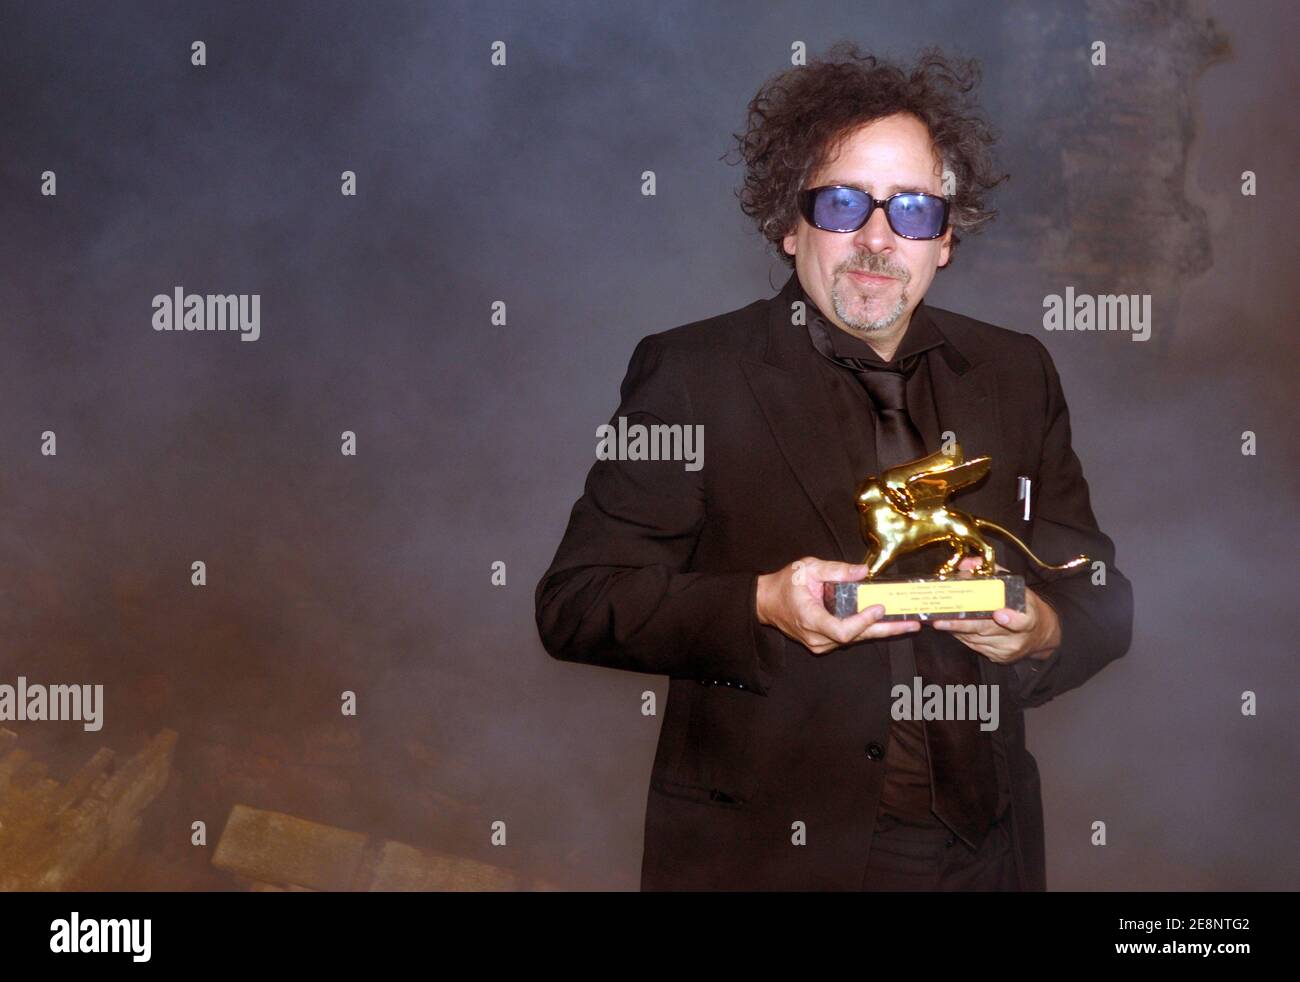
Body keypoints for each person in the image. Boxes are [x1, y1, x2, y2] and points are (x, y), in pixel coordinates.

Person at [534, 44, 1133, 891]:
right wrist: (764, 605)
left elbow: (1103, 594)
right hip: (771, 859)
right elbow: (577, 603)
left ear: (946, 240)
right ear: (790, 224)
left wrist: (1041, 629)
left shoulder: (1016, 371)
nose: (879, 238)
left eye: (914, 211)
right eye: (844, 203)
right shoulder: (693, 371)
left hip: (986, 858)